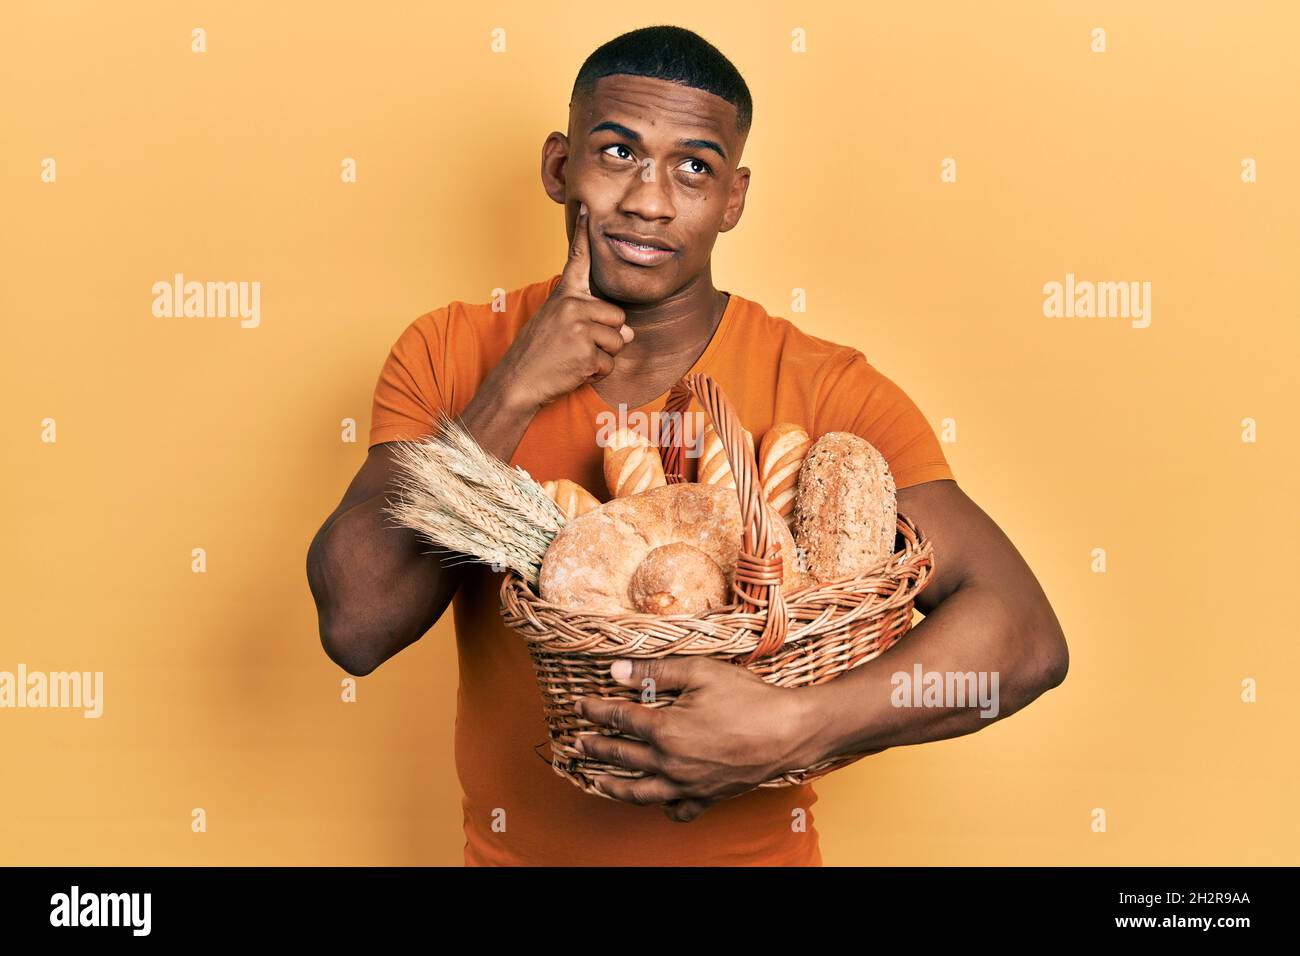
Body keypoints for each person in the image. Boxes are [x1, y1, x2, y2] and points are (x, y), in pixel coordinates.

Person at [306, 24, 1068, 866]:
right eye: (619, 152)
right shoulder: (452, 353)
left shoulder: (825, 389)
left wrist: (798, 725)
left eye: (693, 168)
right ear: (561, 166)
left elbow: (1025, 637)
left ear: (733, 199)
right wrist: (513, 388)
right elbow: (358, 625)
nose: (650, 200)